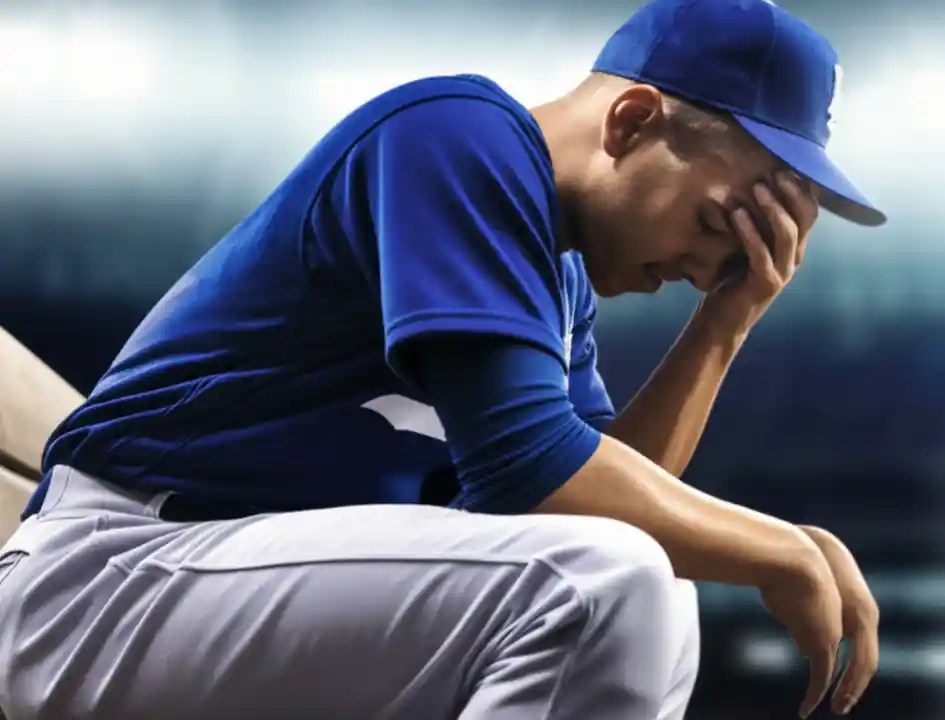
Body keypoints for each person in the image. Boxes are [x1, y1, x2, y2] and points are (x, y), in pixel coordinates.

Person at [0, 0, 887, 718]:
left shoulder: (559, 279)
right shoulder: (461, 135)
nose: (707, 264)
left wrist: (725, 321)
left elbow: (608, 502)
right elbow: (532, 474)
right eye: (712, 226)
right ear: (630, 119)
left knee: (632, 580)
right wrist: (780, 548)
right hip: (113, 578)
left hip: (218, 593)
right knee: (602, 589)